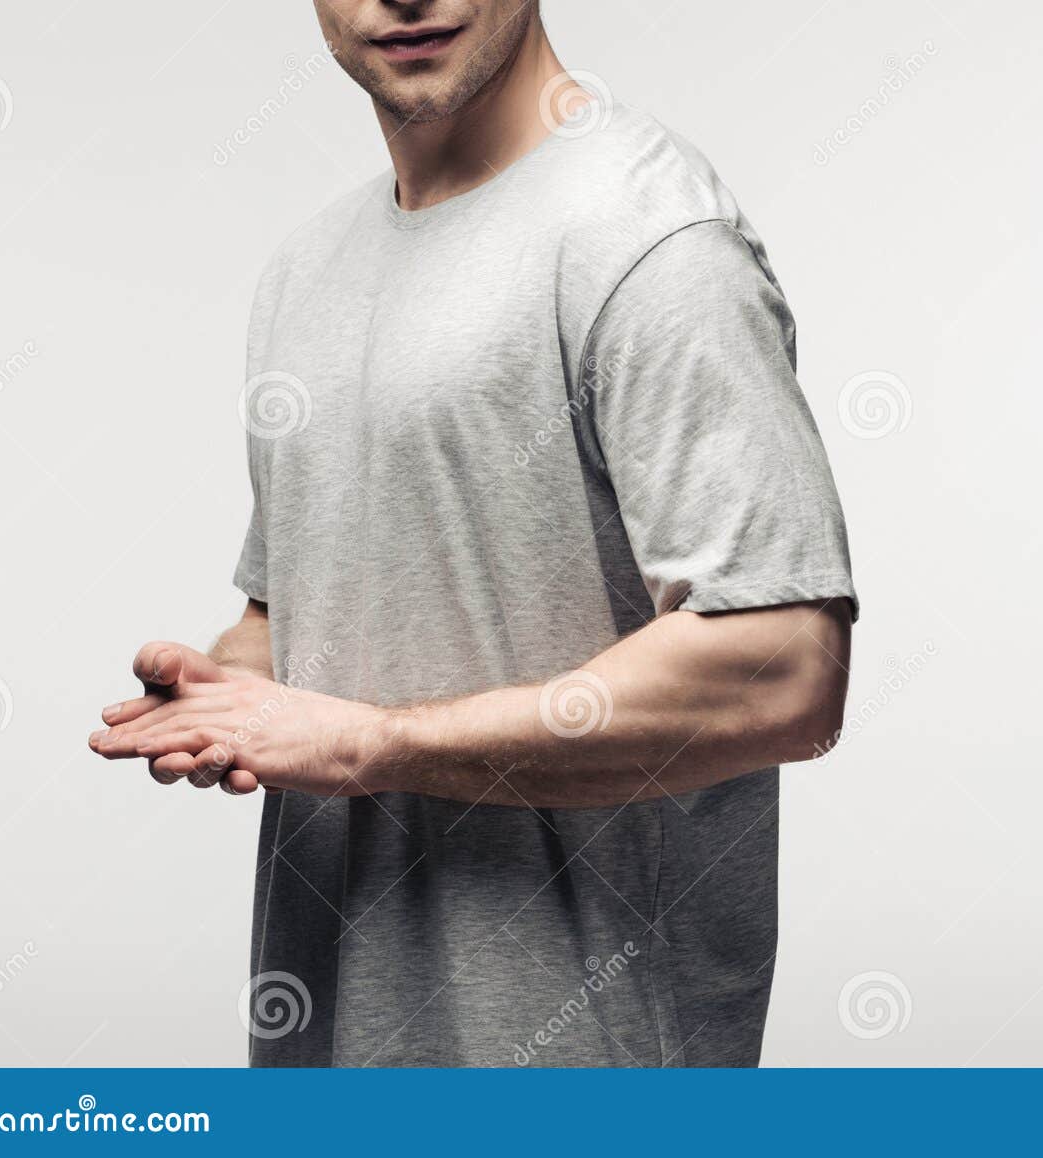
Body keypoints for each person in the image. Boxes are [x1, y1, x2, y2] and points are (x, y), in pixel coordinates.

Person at [88, 0, 856, 1067]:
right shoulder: (305, 271)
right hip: (327, 1050)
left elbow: (783, 675)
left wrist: (376, 744)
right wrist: (226, 689)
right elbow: (294, 611)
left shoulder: (650, 238)